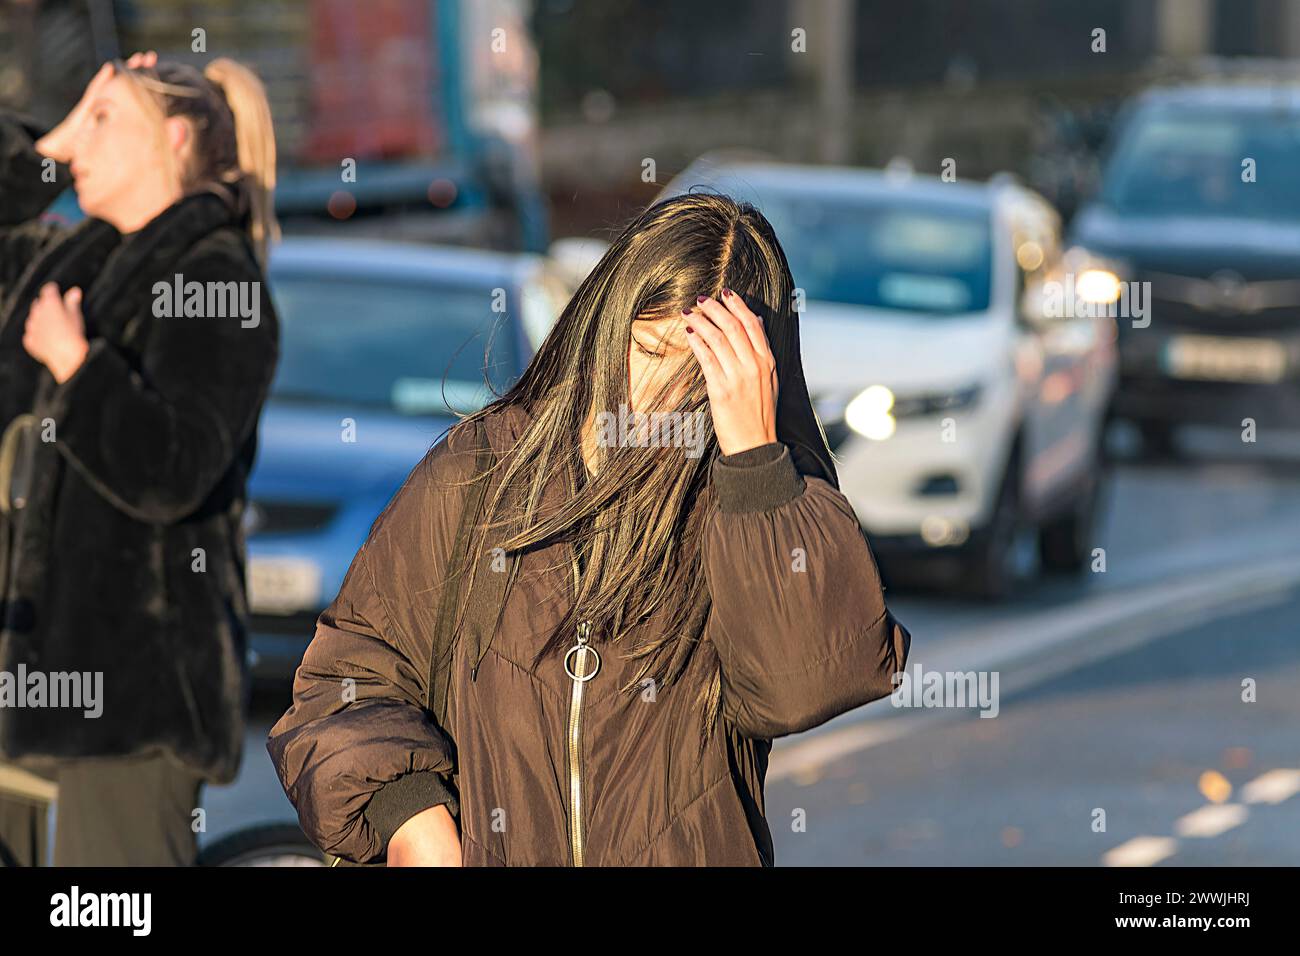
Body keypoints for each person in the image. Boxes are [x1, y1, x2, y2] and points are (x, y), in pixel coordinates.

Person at [268, 192, 910, 866]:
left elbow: (803, 687)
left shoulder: (754, 504)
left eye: (704, 373)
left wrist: (754, 461)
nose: (659, 394)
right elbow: (348, 679)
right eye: (650, 348)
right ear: (608, 322)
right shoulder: (480, 474)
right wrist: (410, 818)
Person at [0, 52, 279, 866]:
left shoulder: (218, 280)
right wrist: (51, 143)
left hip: (134, 699)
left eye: (106, 120)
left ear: (176, 136)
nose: (84, 140)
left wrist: (78, 369)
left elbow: (172, 470)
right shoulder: (66, 260)